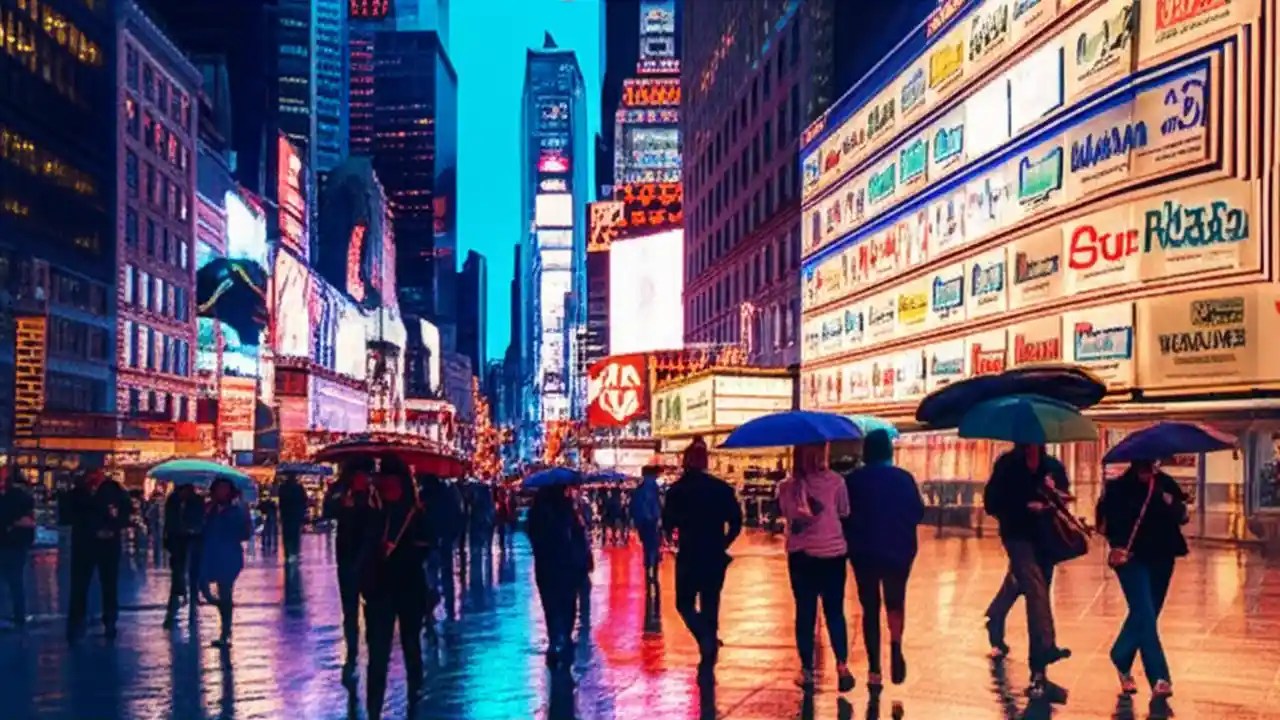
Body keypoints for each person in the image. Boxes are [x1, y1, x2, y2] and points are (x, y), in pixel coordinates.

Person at [982, 444, 1071, 701]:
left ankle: (997, 618)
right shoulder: (1007, 466)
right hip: (1017, 536)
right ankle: (1044, 654)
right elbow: (992, 503)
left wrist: (1056, 498)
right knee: (1034, 588)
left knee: (1030, 589)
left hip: (1046, 538)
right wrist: (1023, 506)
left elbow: (1064, 497)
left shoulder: (1052, 466)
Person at [1096, 460, 1188, 698]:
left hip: (1162, 556)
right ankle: (1159, 677)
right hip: (1130, 558)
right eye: (1145, 464)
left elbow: (1181, 515)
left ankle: (1121, 655)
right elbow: (1105, 524)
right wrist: (1116, 546)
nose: (1150, 468)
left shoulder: (1165, 484)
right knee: (1145, 613)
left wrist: (1170, 502)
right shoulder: (1116, 488)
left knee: (1147, 613)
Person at [843, 429, 924, 688]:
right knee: (895, 601)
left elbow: (844, 515)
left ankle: (874, 669)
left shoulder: (853, 480)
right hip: (898, 549)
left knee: (869, 608)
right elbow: (918, 513)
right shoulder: (904, 478)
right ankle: (896, 643)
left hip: (864, 550)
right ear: (889, 452)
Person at [662, 436, 743, 675]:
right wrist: (724, 541)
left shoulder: (677, 490)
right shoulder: (721, 488)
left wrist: (673, 540)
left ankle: (704, 636)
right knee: (711, 601)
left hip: (689, 552)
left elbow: (668, 524)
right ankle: (709, 640)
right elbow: (736, 522)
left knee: (684, 602)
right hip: (714, 553)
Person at [779, 444, 854, 692]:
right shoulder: (836, 482)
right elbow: (844, 512)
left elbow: (788, 517)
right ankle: (842, 666)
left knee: (805, 613)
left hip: (802, 556)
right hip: (833, 553)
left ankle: (807, 671)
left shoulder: (787, 487)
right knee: (834, 611)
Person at [359, 461, 429, 719]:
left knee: (411, 642)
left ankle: (415, 690)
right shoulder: (371, 510)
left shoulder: (415, 512)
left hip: (408, 586)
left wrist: (404, 546)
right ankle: (374, 706)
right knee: (378, 650)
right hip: (379, 588)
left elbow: (428, 543)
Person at [322, 459, 376, 684]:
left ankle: (370, 648)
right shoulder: (340, 490)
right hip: (347, 554)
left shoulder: (375, 491)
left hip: (370, 557)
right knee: (351, 608)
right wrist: (342, 504)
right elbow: (327, 511)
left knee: (368, 606)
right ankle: (353, 651)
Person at [528, 482, 592, 670]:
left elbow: (533, 537)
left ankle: (555, 638)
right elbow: (579, 537)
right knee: (567, 602)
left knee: (550, 604)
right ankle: (564, 636)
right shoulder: (568, 511)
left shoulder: (537, 513)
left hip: (545, 565)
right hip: (567, 564)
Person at [63, 469, 131, 642]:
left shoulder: (84, 493)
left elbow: (68, 516)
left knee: (92, 583)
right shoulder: (106, 492)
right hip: (93, 543)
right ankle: (92, 619)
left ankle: (96, 619)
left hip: (92, 543)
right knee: (92, 583)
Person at [200, 478, 252, 648]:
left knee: (225, 590)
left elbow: (245, 533)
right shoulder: (210, 509)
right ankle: (222, 609)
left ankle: (225, 631)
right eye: (219, 489)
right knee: (205, 590)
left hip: (229, 555)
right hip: (209, 553)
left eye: (225, 489)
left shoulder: (237, 510)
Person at [420, 474, 464, 623]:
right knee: (446, 573)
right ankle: (447, 604)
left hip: (429, 540)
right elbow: (457, 515)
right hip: (444, 538)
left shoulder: (422, 496)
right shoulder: (448, 493)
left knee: (430, 574)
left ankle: (430, 604)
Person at [162, 483, 206, 630]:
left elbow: (201, 519)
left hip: (193, 539)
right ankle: (175, 603)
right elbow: (169, 522)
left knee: (193, 571)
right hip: (177, 540)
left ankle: (192, 599)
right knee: (177, 573)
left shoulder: (197, 501)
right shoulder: (173, 501)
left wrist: (194, 529)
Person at [0, 468, 35, 629]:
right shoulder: (26, 499)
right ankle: (19, 614)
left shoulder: (4, 499)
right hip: (18, 544)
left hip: (4, 542)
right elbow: (30, 523)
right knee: (17, 581)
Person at [631, 466, 663, 585]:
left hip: (642, 521)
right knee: (654, 545)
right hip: (652, 521)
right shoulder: (654, 486)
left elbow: (634, 506)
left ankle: (648, 566)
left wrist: (635, 521)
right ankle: (653, 569)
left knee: (646, 546)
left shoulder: (639, 488)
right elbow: (656, 504)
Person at [278, 474, 308, 562]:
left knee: (287, 533)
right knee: (295, 533)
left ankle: (287, 551)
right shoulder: (299, 488)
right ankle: (295, 551)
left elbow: (281, 501)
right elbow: (304, 500)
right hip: (296, 514)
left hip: (286, 514)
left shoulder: (283, 488)